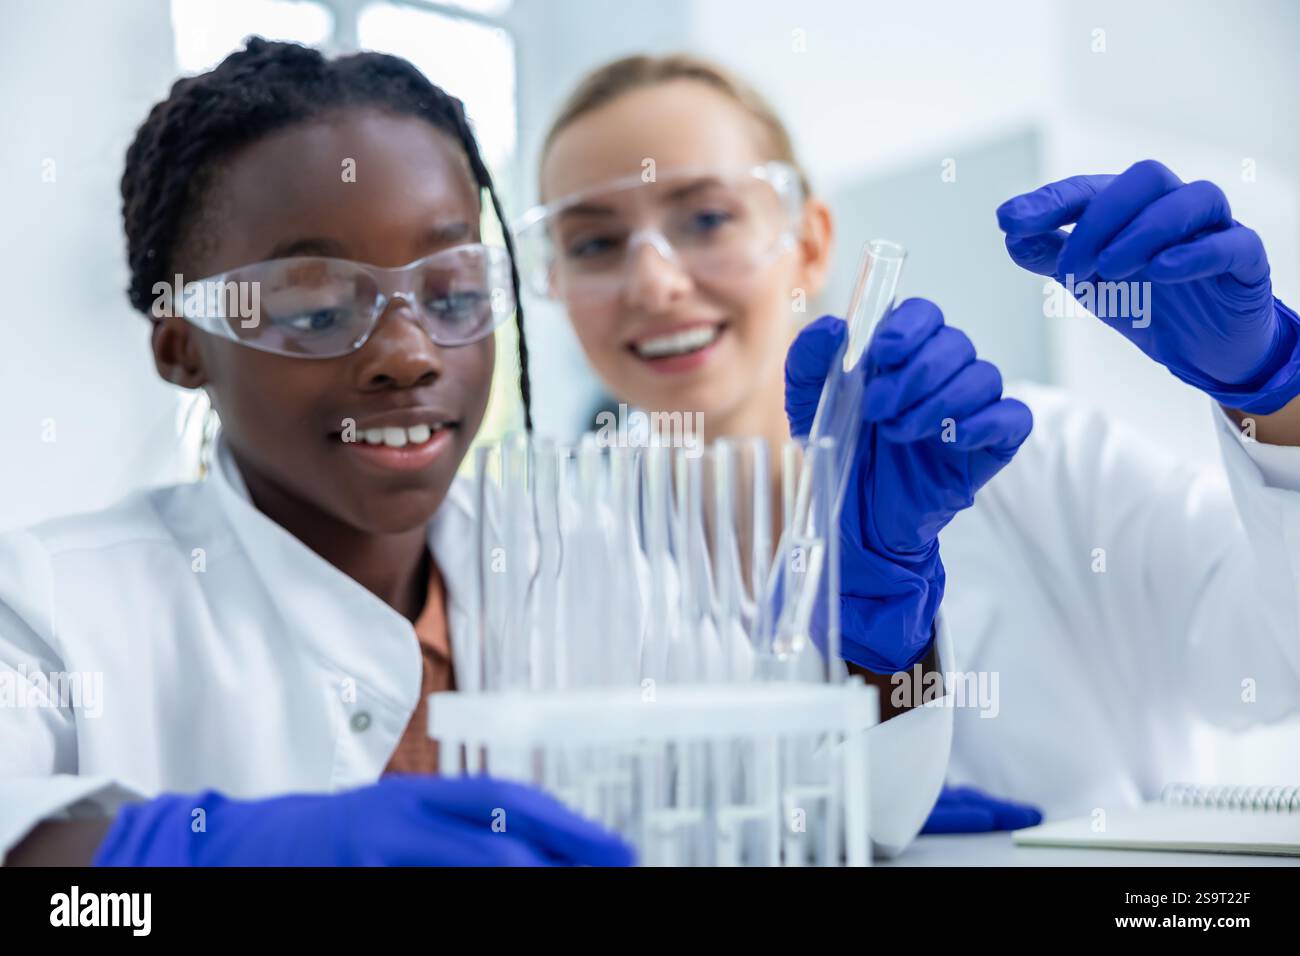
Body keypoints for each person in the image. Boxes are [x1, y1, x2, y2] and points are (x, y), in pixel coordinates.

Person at [0, 39, 1027, 866]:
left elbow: (815, 796)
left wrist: (878, 632)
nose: (405, 354)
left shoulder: (586, 557)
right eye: (314, 306)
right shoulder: (58, 603)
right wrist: (195, 853)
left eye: (451, 295)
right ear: (181, 346)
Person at [524, 53, 1300, 824]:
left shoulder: (1038, 457)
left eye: (706, 218)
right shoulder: (548, 559)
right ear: (555, 281)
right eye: (594, 243)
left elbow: (1267, 667)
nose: (655, 283)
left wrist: (1274, 392)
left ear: (813, 240)